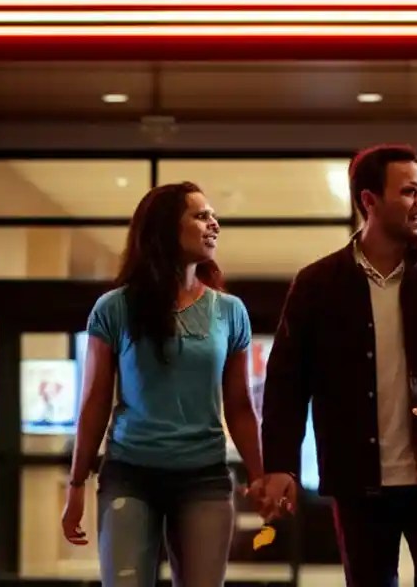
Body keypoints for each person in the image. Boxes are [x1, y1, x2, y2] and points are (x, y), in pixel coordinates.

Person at [254, 143, 417, 587]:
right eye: (410, 192)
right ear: (369, 201)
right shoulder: (317, 285)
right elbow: (285, 382)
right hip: (356, 480)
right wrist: (280, 465)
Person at [60, 182, 265, 587]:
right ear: (165, 228)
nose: (214, 224)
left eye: (213, 215)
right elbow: (95, 403)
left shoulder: (230, 312)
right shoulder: (115, 308)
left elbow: (240, 405)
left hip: (203, 475)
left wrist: (259, 476)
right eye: (201, 216)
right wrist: (77, 483)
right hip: (130, 473)